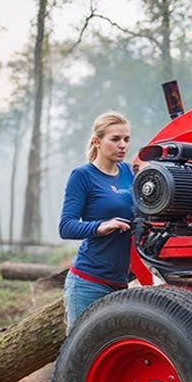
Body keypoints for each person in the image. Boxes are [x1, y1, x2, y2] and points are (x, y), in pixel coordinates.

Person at [60, 111, 135, 330]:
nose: (122, 145)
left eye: (126, 139)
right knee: (81, 357)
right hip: (88, 283)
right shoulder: (83, 175)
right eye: (115, 139)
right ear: (97, 141)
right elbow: (66, 226)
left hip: (122, 284)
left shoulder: (130, 172)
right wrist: (101, 226)